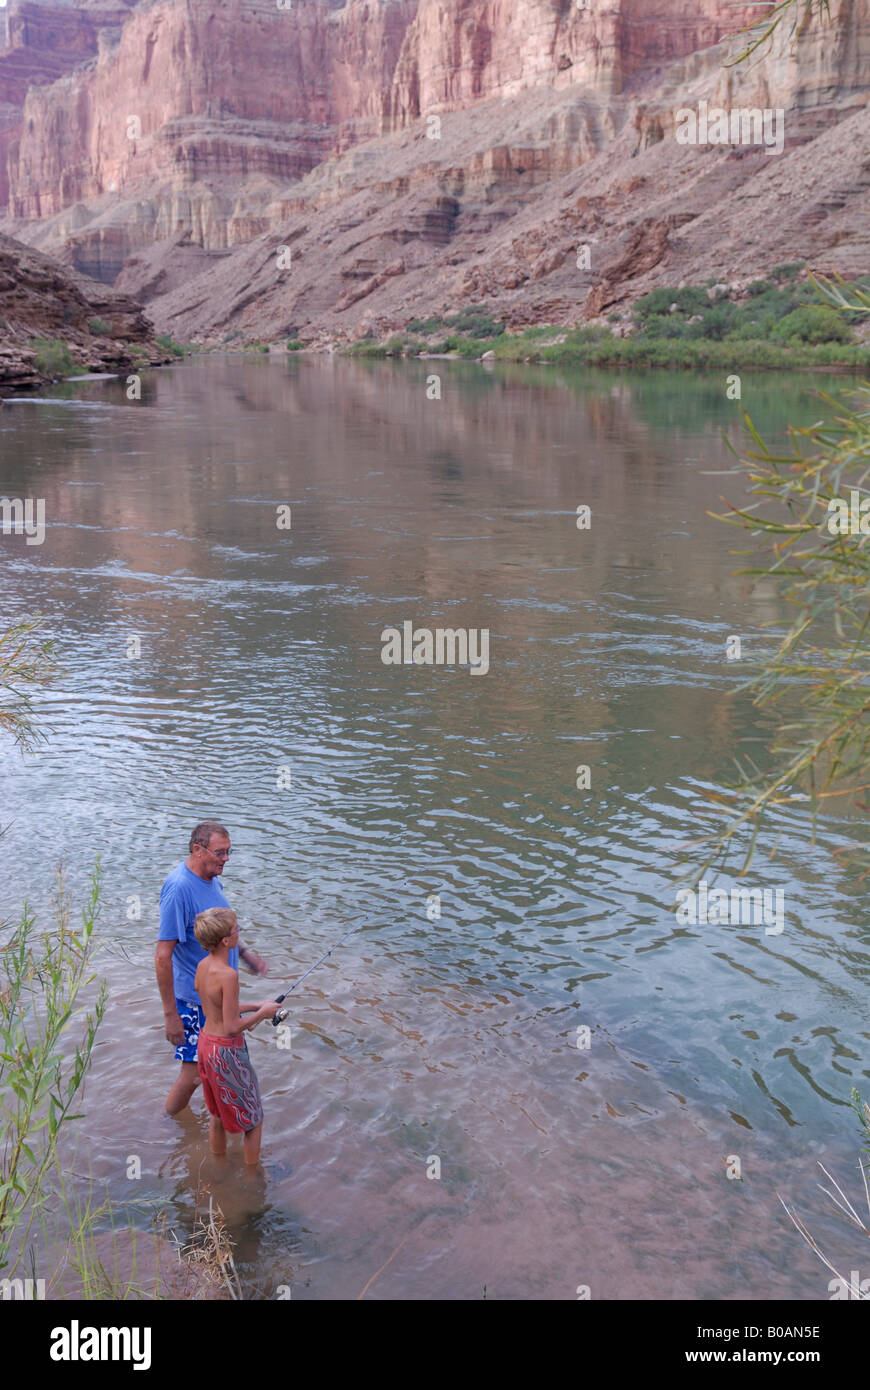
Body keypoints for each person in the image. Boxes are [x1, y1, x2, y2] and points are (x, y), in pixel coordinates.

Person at [155, 821, 267, 1116]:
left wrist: (244, 954)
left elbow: (219, 931)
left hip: (217, 995)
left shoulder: (213, 879)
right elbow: (162, 956)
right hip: (194, 1000)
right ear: (197, 849)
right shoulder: (179, 889)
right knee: (193, 1075)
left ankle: (214, 1126)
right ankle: (168, 1125)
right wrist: (171, 1015)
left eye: (229, 852)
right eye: (220, 852)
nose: (226, 859)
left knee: (216, 1067)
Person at [193, 907, 279, 1164]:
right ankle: (254, 1179)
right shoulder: (229, 976)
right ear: (226, 941)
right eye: (236, 930)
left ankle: (219, 1167)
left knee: (217, 1114)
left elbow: (216, 1009)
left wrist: (255, 1006)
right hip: (226, 1052)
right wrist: (263, 1014)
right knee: (253, 1120)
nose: (239, 933)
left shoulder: (203, 966)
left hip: (206, 1045)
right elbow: (231, 1027)